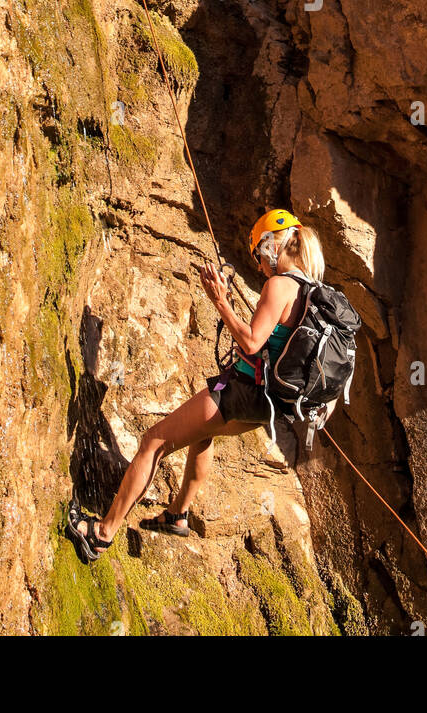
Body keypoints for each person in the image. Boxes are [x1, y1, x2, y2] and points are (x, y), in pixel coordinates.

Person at [67, 209, 325, 558]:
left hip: (242, 394)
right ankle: (178, 514)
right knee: (203, 432)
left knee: (153, 442)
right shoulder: (316, 293)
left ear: (269, 245)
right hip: (270, 405)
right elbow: (273, 346)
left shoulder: (279, 285)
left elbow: (250, 342)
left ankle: (100, 533)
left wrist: (220, 301)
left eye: (259, 257)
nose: (260, 266)